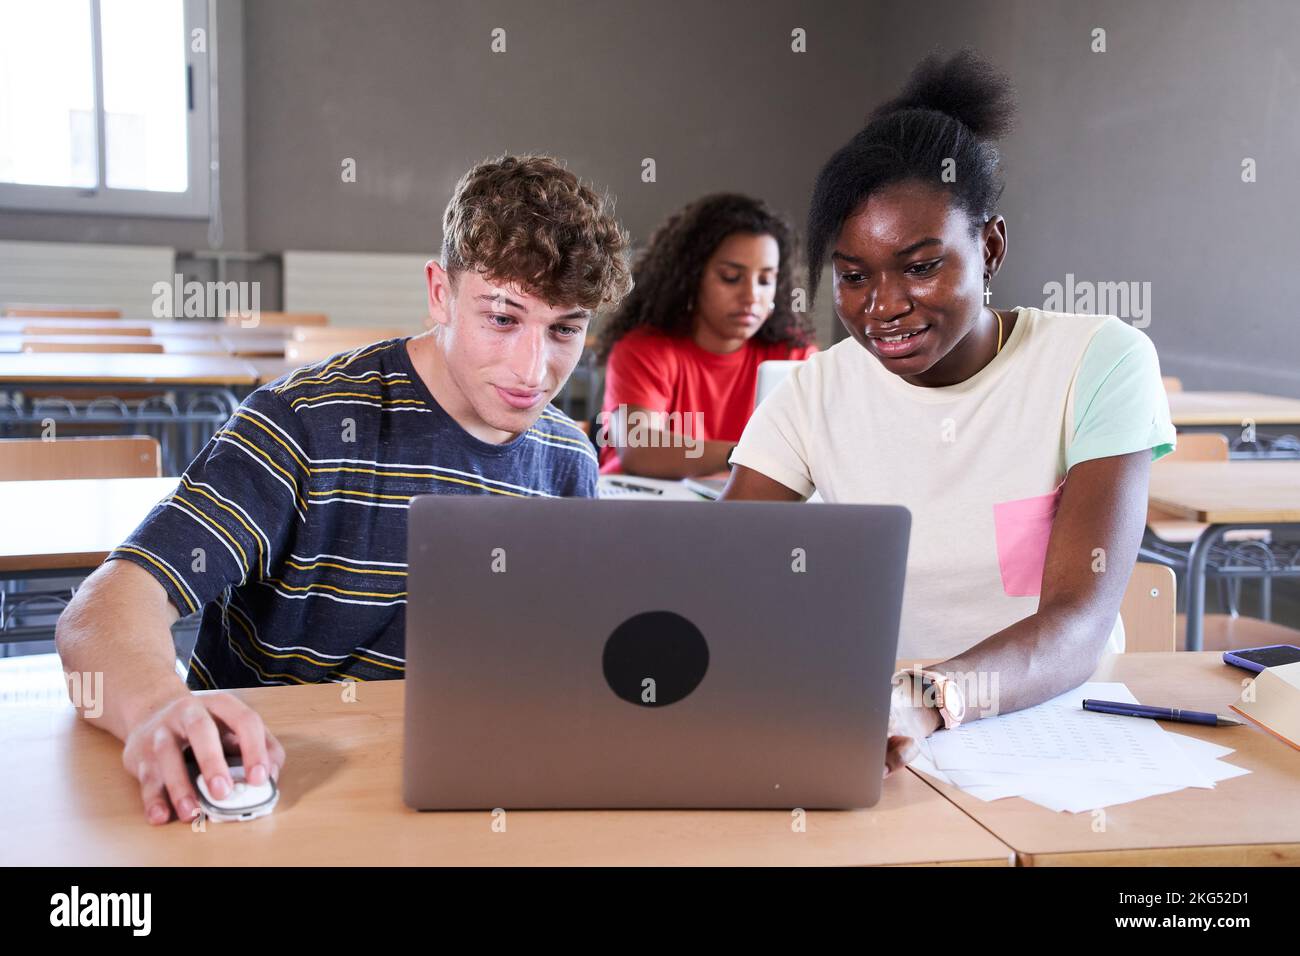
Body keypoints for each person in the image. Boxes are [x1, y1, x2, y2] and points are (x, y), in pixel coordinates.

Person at [55, 154, 632, 825]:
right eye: (503, 318)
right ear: (440, 293)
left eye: (564, 329)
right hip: (285, 789)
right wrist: (158, 709)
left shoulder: (566, 459)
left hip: (457, 788)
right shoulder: (305, 422)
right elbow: (105, 608)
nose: (535, 370)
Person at [721, 51, 1176, 777]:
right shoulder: (813, 392)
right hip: (875, 732)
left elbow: (1077, 624)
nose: (885, 306)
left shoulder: (1100, 361)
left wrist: (927, 696)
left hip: (1055, 733)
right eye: (853, 276)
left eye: (921, 265)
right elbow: (713, 572)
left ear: (990, 247)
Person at [594, 193, 817, 477]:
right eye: (730, 277)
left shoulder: (794, 356)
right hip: (645, 507)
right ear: (691, 277)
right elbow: (641, 450)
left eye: (765, 280)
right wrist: (747, 456)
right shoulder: (644, 349)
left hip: (744, 511)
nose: (752, 296)